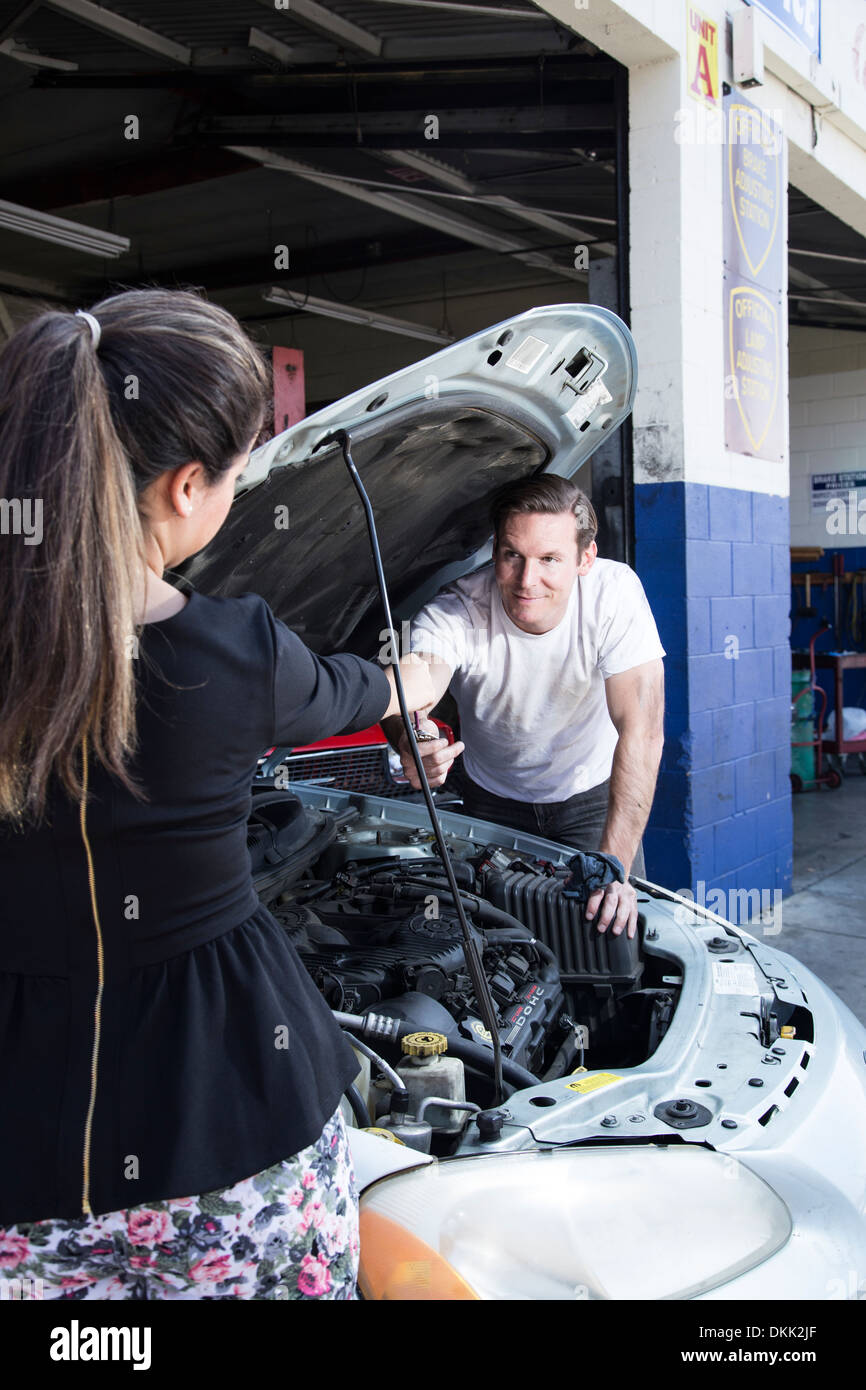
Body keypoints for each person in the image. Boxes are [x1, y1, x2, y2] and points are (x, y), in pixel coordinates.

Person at [0, 290, 433, 1300]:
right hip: (236, 1125)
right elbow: (362, 689)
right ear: (188, 486)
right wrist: (429, 674)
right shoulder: (238, 651)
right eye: (240, 473)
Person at [384, 475, 665, 941]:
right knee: (493, 944)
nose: (526, 581)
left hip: (591, 800)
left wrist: (614, 865)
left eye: (549, 559)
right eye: (512, 555)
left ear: (585, 558)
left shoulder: (614, 596)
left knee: (605, 939)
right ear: (495, 549)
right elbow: (416, 682)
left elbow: (642, 730)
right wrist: (409, 735)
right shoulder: (460, 609)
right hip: (491, 804)